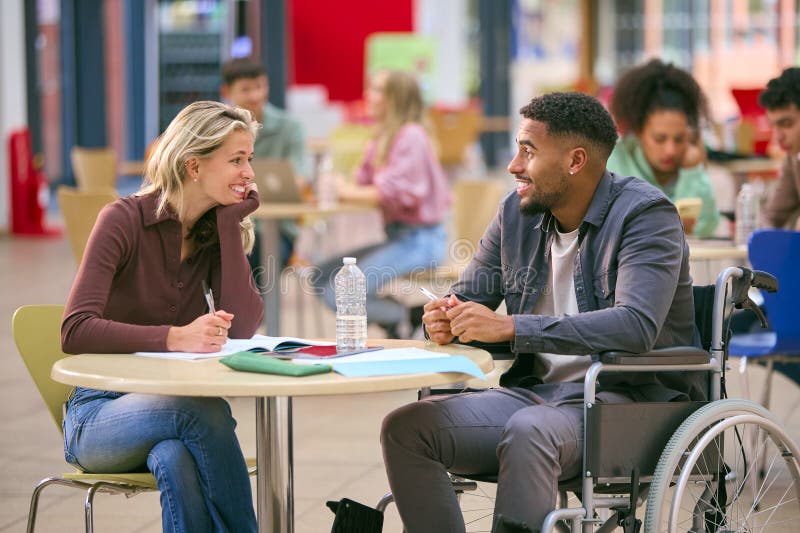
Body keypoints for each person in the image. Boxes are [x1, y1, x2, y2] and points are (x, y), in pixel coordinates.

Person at [380, 92, 702, 532]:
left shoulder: (645, 215)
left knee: (531, 430)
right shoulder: (517, 214)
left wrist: (513, 327)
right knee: (408, 427)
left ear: (575, 161)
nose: (514, 164)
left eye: (528, 152)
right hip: (536, 397)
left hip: (623, 403)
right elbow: (470, 299)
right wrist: (446, 320)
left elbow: (636, 326)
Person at [61, 101, 263, 533]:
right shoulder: (122, 220)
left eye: (249, 159)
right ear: (193, 166)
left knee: (173, 457)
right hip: (98, 415)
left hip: (171, 408)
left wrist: (230, 227)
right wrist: (174, 337)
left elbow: (243, 329)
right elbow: (75, 329)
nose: (249, 172)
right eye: (236, 160)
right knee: (201, 412)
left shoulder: (211, 232)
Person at [313, 70, 451, 338]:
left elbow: (386, 193)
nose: (368, 96)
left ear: (394, 99)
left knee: (341, 293)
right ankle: (403, 316)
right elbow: (364, 183)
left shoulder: (411, 136)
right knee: (320, 278)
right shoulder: (384, 137)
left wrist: (342, 189)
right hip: (398, 237)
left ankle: (408, 316)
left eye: (376, 90)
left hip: (420, 241)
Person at [606, 58, 721, 238]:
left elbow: (705, 227)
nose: (671, 150)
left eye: (679, 138)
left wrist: (691, 173)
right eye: (659, 139)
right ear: (637, 131)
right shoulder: (614, 161)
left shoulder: (691, 161)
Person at [221, 56, 307, 270]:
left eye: (260, 87)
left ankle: (252, 305)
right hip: (225, 226)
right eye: (246, 89)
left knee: (252, 255)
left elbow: (301, 181)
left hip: (275, 230)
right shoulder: (217, 131)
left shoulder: (289, 127)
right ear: (227, 92)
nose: (255, 95)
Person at [759, 66, 800, 230]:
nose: (778, 137)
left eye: (786, 124)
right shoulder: (794, 159)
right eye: (774, 126)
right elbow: (773, 215)